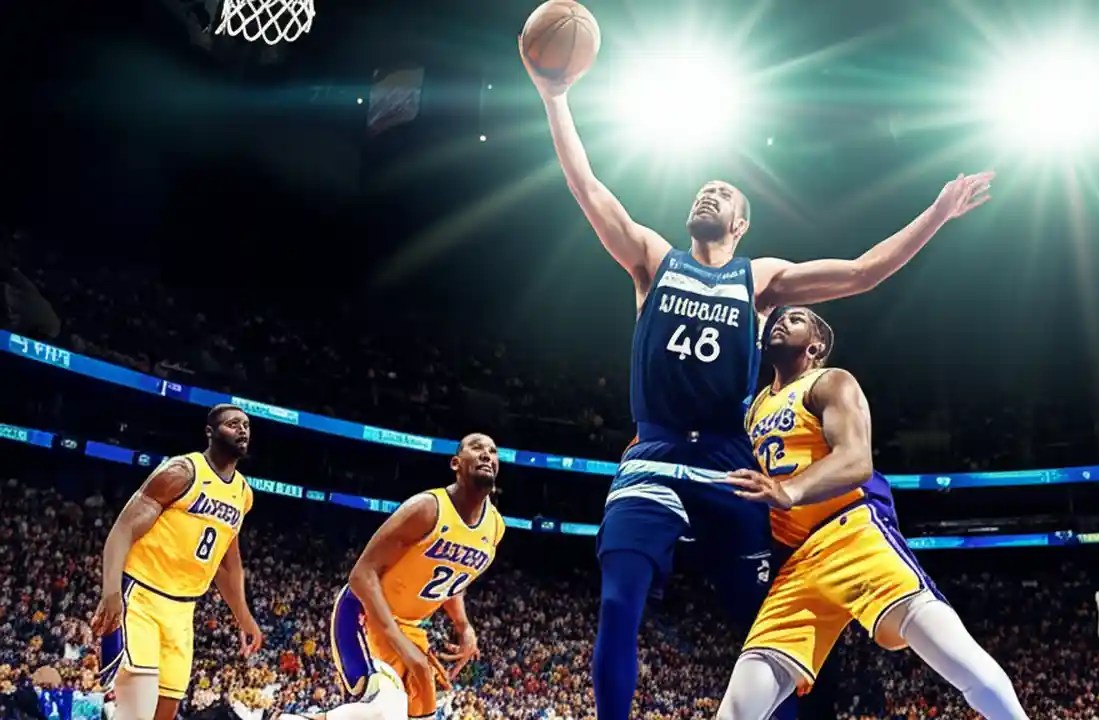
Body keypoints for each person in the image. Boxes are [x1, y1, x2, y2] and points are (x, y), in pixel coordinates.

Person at [519, 38, 995, 720]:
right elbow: (587, 187)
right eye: (702, 188)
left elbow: (862, 273)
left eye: (724, 193)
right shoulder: (653, 257)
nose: (708, 192)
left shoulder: (759, 278)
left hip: (727, 464)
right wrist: (556, 97)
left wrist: (937, 214)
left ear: (740, 224)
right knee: (618, 603)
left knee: (764, 632)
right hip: (653, 455)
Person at [716, 307, 1028, 720]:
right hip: (797, 562)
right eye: (777, 316)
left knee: (961, 662)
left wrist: (788, 490)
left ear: (816, 345)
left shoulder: (830, 381)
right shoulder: (755, 408)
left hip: (852, 535)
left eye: (794, 319)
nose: (779, 321)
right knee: (738, 706)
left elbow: (856, 460)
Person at [291, 433, 505, 720]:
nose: (486, 455)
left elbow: (454, 578)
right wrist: (399, 642)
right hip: (366, 615)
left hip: (411, 628)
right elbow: (361, 574)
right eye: (476, 448)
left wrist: (464, 626)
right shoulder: (427, 509)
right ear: (456, 463)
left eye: (492, 451)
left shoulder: (494, 527)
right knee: (385, 709)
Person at [92, 404, 262, 720]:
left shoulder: (243, 493)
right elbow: (124, 527)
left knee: (165, 713)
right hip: (141, 597)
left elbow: (227, 565)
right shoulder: (182, 473)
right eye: (233, 424)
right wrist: (111, 591)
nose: (242, 429)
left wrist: (243, 617)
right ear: (210, 433)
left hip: (183, 612)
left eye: (246, 425)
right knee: (136, 712)